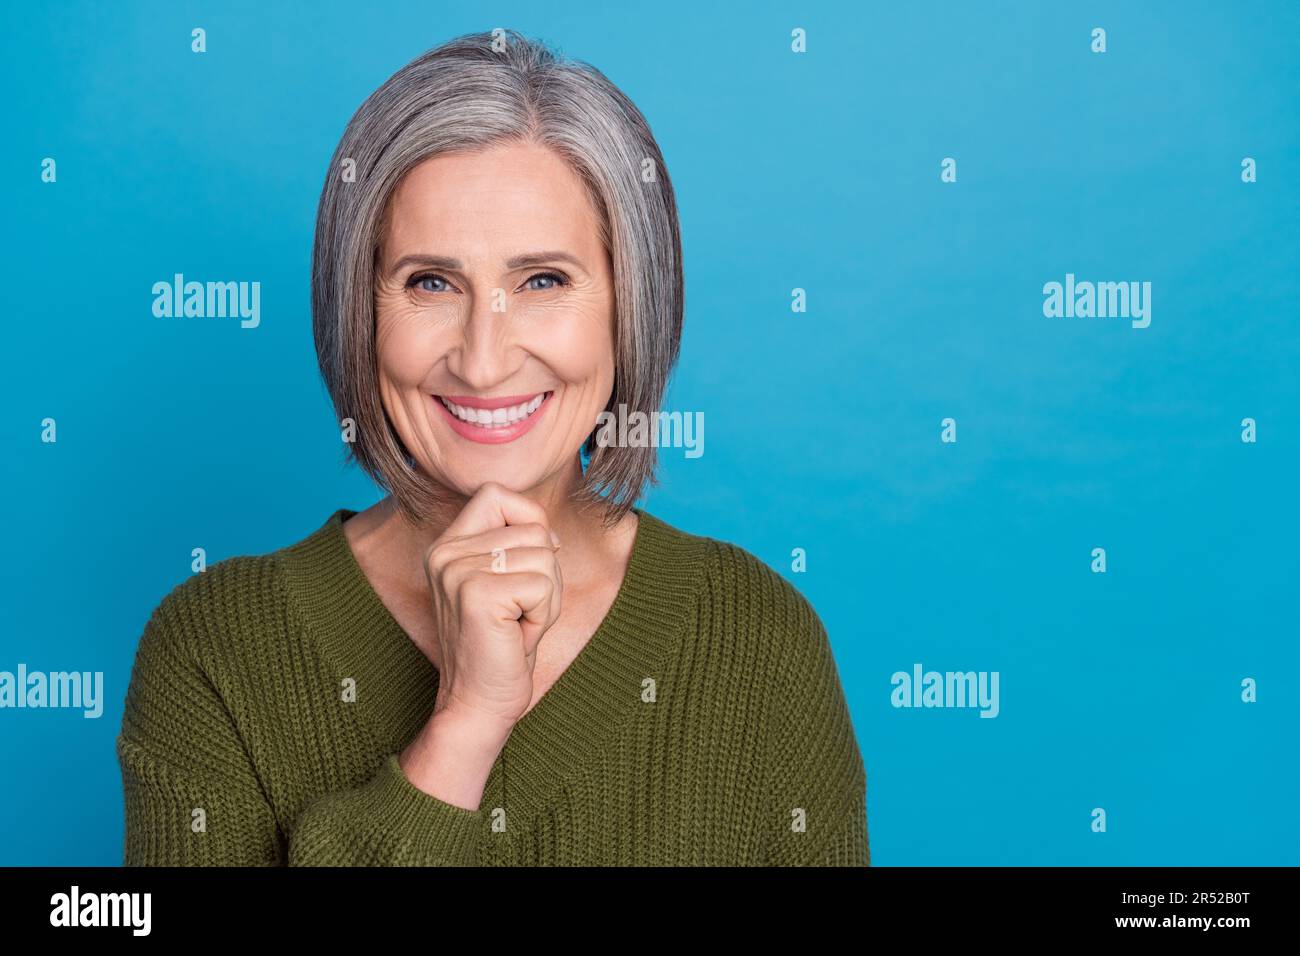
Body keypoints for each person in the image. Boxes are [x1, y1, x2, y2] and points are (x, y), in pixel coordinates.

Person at [117, 29, 869, 866]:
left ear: (631, 309)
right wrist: (466, 724)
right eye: (430, 283)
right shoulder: (213, 649)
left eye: (542, 281)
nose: (483, 359)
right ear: (359, 311)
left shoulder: (759, 641)